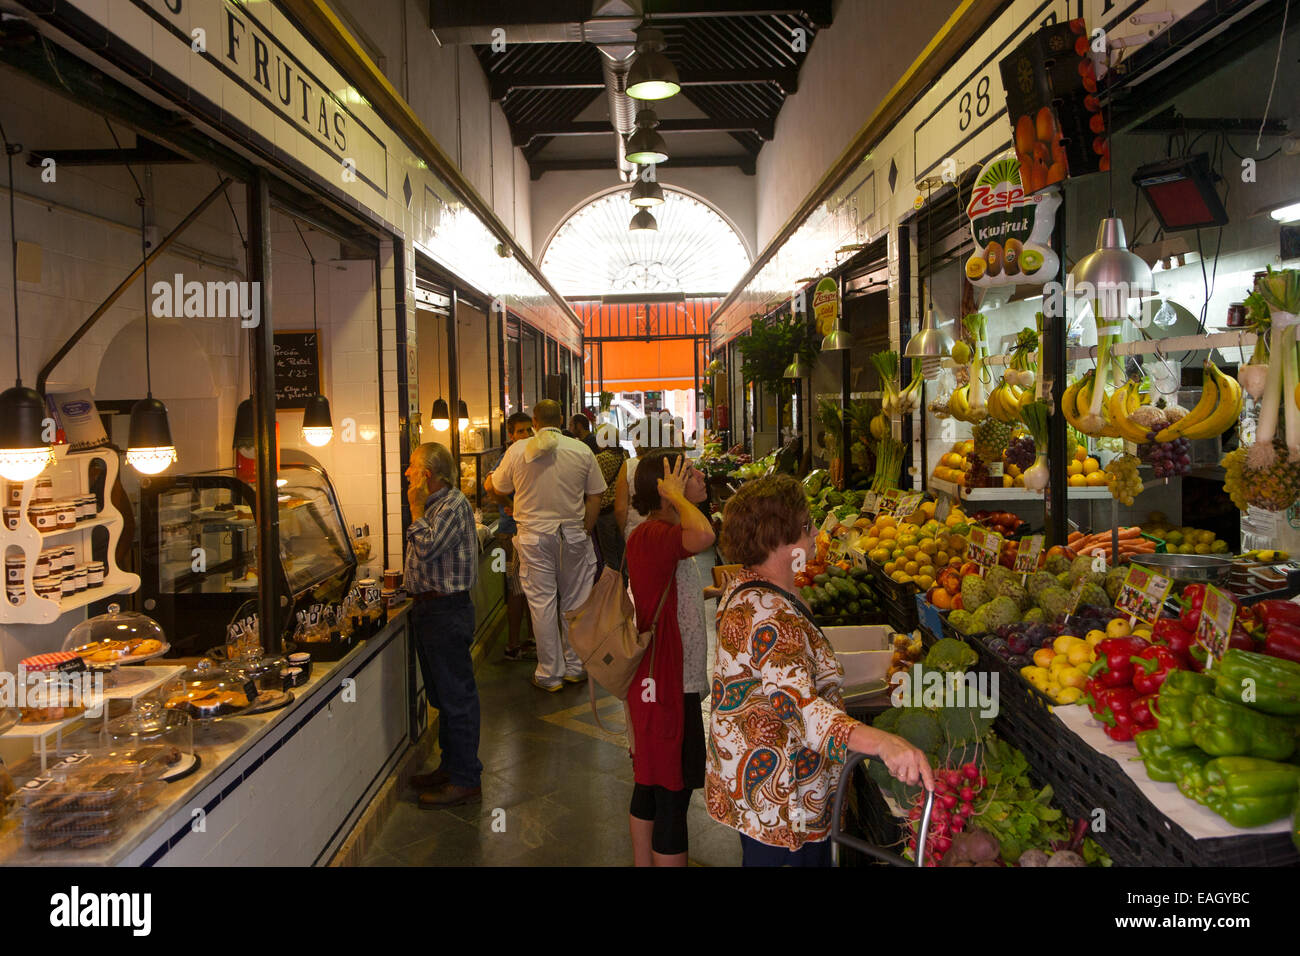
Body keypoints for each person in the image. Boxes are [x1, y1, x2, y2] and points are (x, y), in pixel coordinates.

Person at [707, 475, 934, 865]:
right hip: (785, 807)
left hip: (761, 799)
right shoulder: (771, 616)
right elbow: (799, 709)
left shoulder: (752, 586)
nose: (814, 536)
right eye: (807, 526)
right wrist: (883, 743)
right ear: (782, 539)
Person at [624, 452, 714, 866]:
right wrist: (679, 499)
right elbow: (705, 536)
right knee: (672, 794)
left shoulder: (657, 534)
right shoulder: (658, 533)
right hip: (669, 684)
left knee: (651, 783)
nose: (699, 477)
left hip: (661, 680)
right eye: (688, 473)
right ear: (665, 488)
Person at [486, 399, 605, 692]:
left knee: (542, 604)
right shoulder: (581, 449)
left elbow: (496, 488)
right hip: (573, 535)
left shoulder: (517, 450)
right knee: (575, 603)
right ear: (562, 418)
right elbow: (595, 496)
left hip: (534, 538)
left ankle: (550, 674)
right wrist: (586, 529)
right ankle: (576, 667)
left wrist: (507, 501)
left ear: (535, 422)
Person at [403, 442, 483, 808]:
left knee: (457, 698)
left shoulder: (449, 505)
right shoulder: (438, 506)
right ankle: (452, 767)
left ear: (428, 476)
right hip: (431, 611)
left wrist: (415, 507)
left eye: (412, 468)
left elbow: (428, 549)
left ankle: (466, 779)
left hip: (445, 612)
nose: (407, 474)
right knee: (443, 698)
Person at [497, 412, 536, 661]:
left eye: (528, 430)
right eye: (520, 431)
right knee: (516, 590)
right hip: (511, 531)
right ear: (511, 435)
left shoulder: (533, 455)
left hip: (529, 531)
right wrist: (509, 504)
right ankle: (513, 643)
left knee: (533, 589)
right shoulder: (506, 458)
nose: (525, 435)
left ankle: (532, 638)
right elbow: (491, 485)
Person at [591, 423, 629, 574]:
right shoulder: (624, 455)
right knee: (622, 551)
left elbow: (594, 486)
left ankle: (613, 587)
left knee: (609, 553)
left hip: (605, 512)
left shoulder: (599, 459)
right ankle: (623, 583)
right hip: (621, 507)